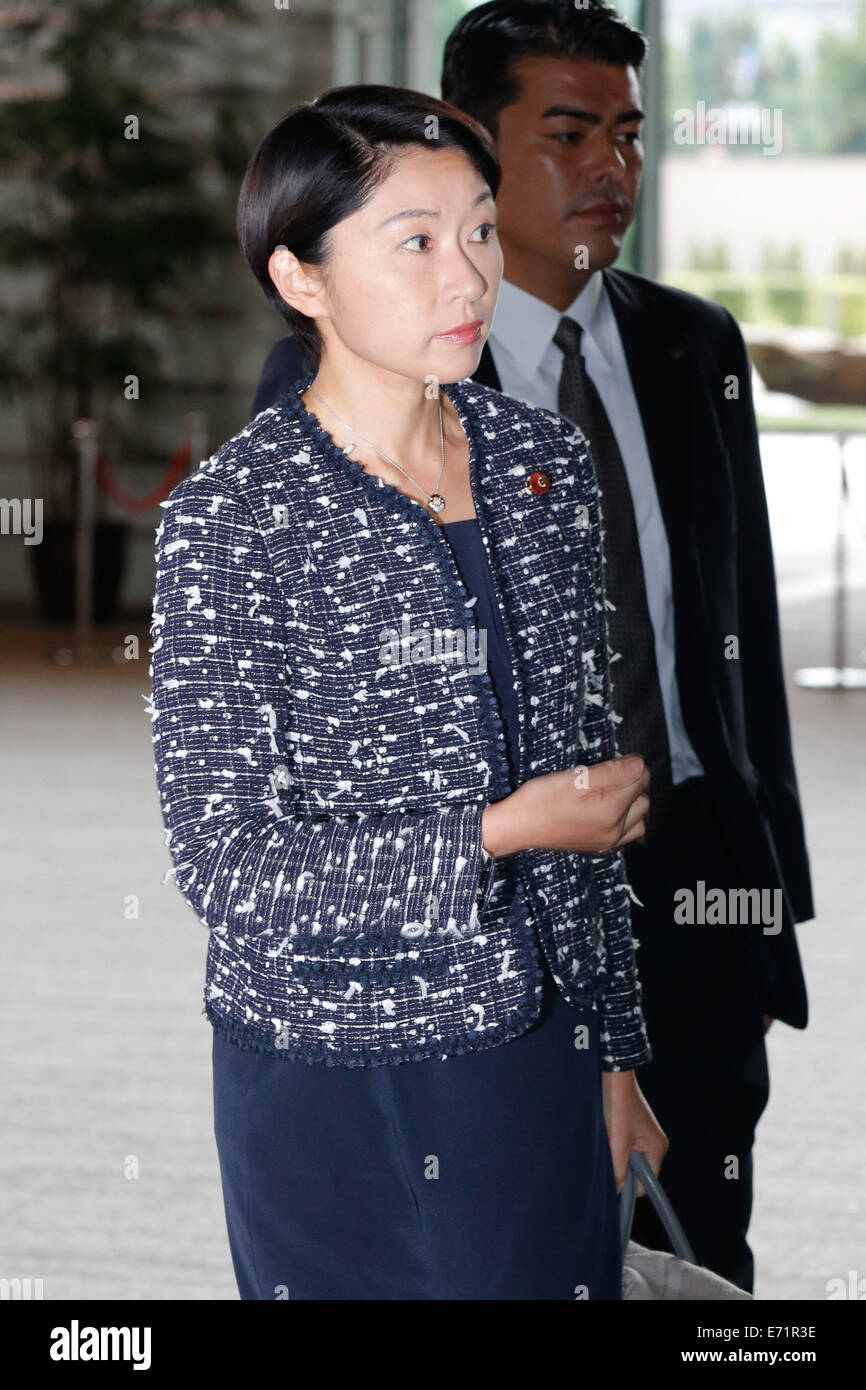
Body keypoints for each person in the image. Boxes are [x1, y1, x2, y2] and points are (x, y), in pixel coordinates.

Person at [249, 2, 814, 1295]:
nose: (609, 168)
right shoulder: (348, 378)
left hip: (687, 889)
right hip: (484, 897)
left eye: (625, 133)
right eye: (566, 134)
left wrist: (760, 878)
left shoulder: (693, 346)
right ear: (470, 147)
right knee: (497, 1253)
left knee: (693, 1260)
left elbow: (734, 641)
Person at [149, 83, 667, 1301]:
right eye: (416, 242)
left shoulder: (544, 467)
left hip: (539, 1057)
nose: (468, 277)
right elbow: (226, 863)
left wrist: (614, 1057)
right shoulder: (233, 518)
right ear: (302, 280)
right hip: (332, 1068)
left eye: (480, 229)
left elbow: (581, 795)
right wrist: (500, 833)